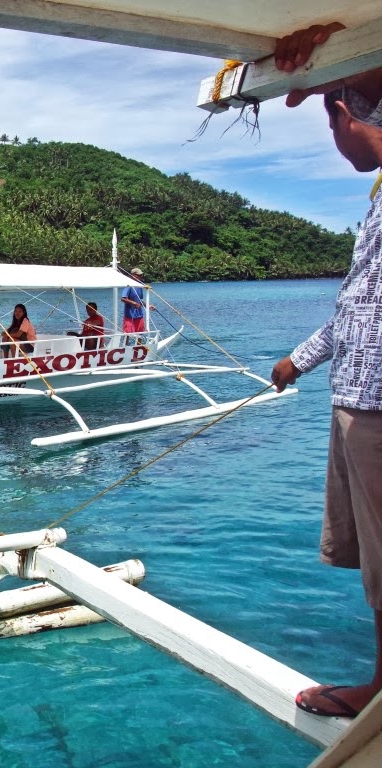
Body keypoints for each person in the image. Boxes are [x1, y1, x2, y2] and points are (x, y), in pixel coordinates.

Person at [269, 68, 382, 717]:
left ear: (343, 113)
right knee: (375, 557)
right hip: (358, 397)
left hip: (376, 406)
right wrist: (299, 361)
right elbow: (359, 307)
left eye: (330, 123)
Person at [121, 268, 146, 340]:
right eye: (139, 275)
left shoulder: (139, 286)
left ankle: (139, 346)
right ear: (133, 275)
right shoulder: (129, 286)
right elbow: (123, 298)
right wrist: (134, 303)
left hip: (139, 315)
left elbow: (140, 300)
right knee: (127, 334)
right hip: (129, 316)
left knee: (140, 334)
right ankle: (125, 346)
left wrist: (148, 305)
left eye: (141, 275)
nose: (141, 277)